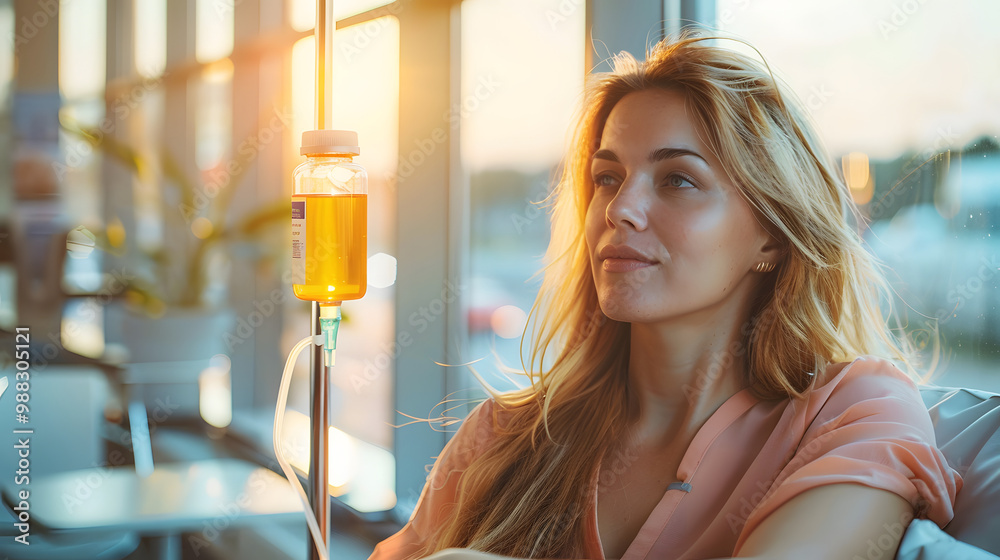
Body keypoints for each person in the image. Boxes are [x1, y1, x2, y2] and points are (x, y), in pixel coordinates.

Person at [369, 32, 963, 560]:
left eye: (678, 179)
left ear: (773, 236)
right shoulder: (500, 437)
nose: (620, 209)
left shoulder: (856, 413)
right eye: (608, 178)